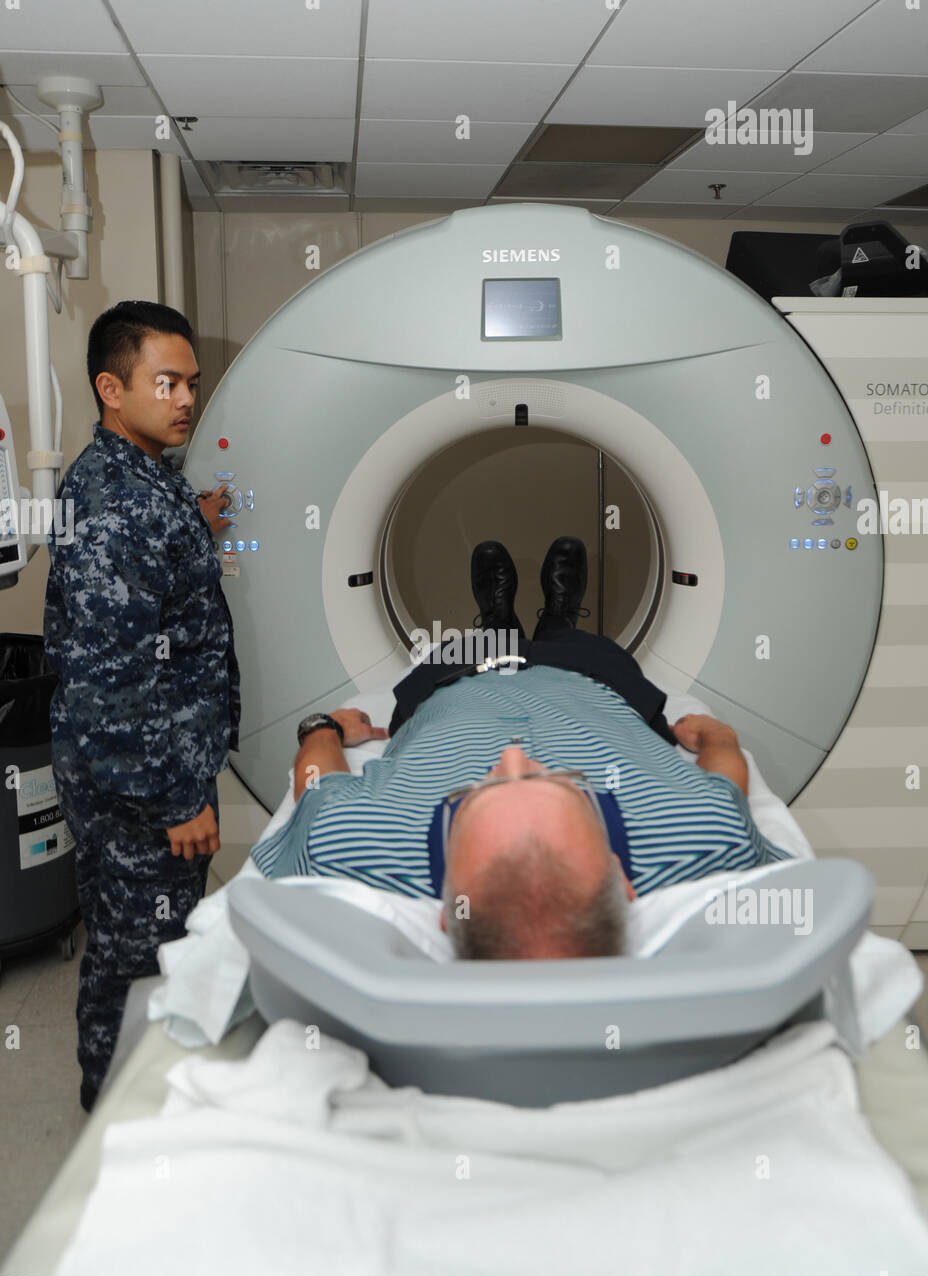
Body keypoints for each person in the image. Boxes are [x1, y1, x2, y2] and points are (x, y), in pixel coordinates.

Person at [252, 537, 792, 959]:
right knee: (583, 646)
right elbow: (728, 782)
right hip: (589, 684)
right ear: (625, 886)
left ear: (446, 911)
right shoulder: (703, 839)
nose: (511, 756)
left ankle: (498, 621)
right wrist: (719, 736)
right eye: (560, 784)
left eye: (474, 796)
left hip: (459, 684)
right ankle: (557, 619)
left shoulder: (347, 846)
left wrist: (325, 727)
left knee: (470, 645)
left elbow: (315, 785)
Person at [43, 301, 240, 1111]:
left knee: (143, 950)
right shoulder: (120, 511)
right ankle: (120, 1123)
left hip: (152, 766)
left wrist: (192, 524)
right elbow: (111, 695)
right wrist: (177, 802)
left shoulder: (140, 479)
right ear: (111, 389)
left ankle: (131, 1106)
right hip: (141, 787)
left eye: (192, 382)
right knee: (139, 964)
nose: (187, 397)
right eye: (167, 382)